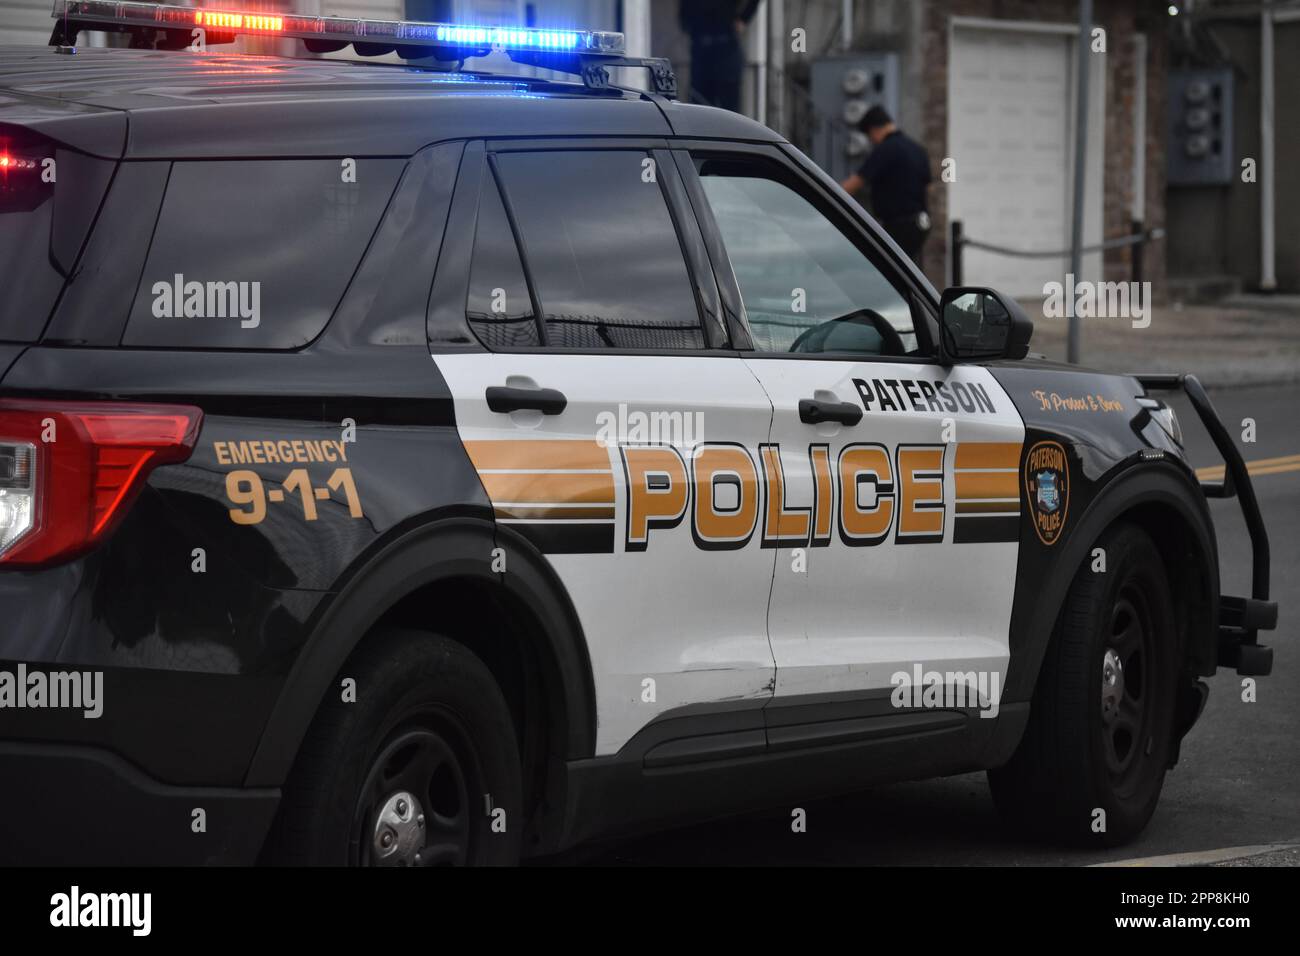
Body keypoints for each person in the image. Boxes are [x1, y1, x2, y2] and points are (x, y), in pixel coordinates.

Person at [840, 106, 932, 265]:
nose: (871, 141)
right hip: (920, 225)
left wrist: (823, 194)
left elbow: (854, 184)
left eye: (869, 136)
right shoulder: (918, 149)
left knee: (885, 272)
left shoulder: (885, 149)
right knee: (909, 272)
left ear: (874, 130)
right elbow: (928, 188)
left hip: (898, 226)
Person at [679, 1, 761, 113]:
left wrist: (743, 19)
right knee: (700, 108)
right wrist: (686, 22)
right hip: (701, 50)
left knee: (729, 110)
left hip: (726, 48)